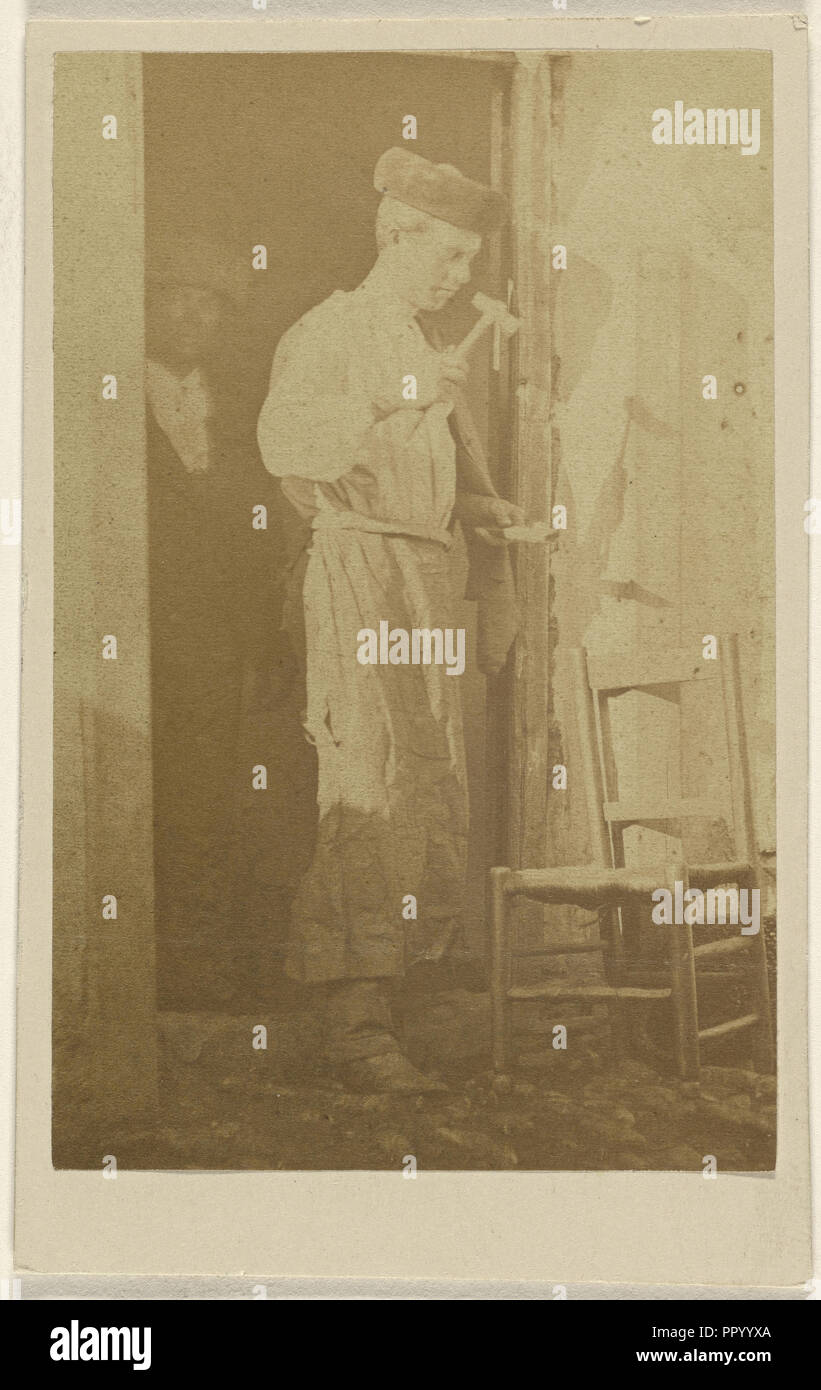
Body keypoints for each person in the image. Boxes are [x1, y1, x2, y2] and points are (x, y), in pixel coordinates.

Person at [257, 148, 523, 1090]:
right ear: (395, 233)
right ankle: (352, 1019)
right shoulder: (330, 330)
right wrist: (388, 396)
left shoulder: (414, 338)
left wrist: (476, 509)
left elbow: (426, 461)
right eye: (447, 257)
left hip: (421, 566)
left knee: (428, 778)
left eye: (468, 264)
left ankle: (408, 988)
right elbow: (289, 450)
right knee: (365, 773)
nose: (458, 279)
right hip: (358, 565)